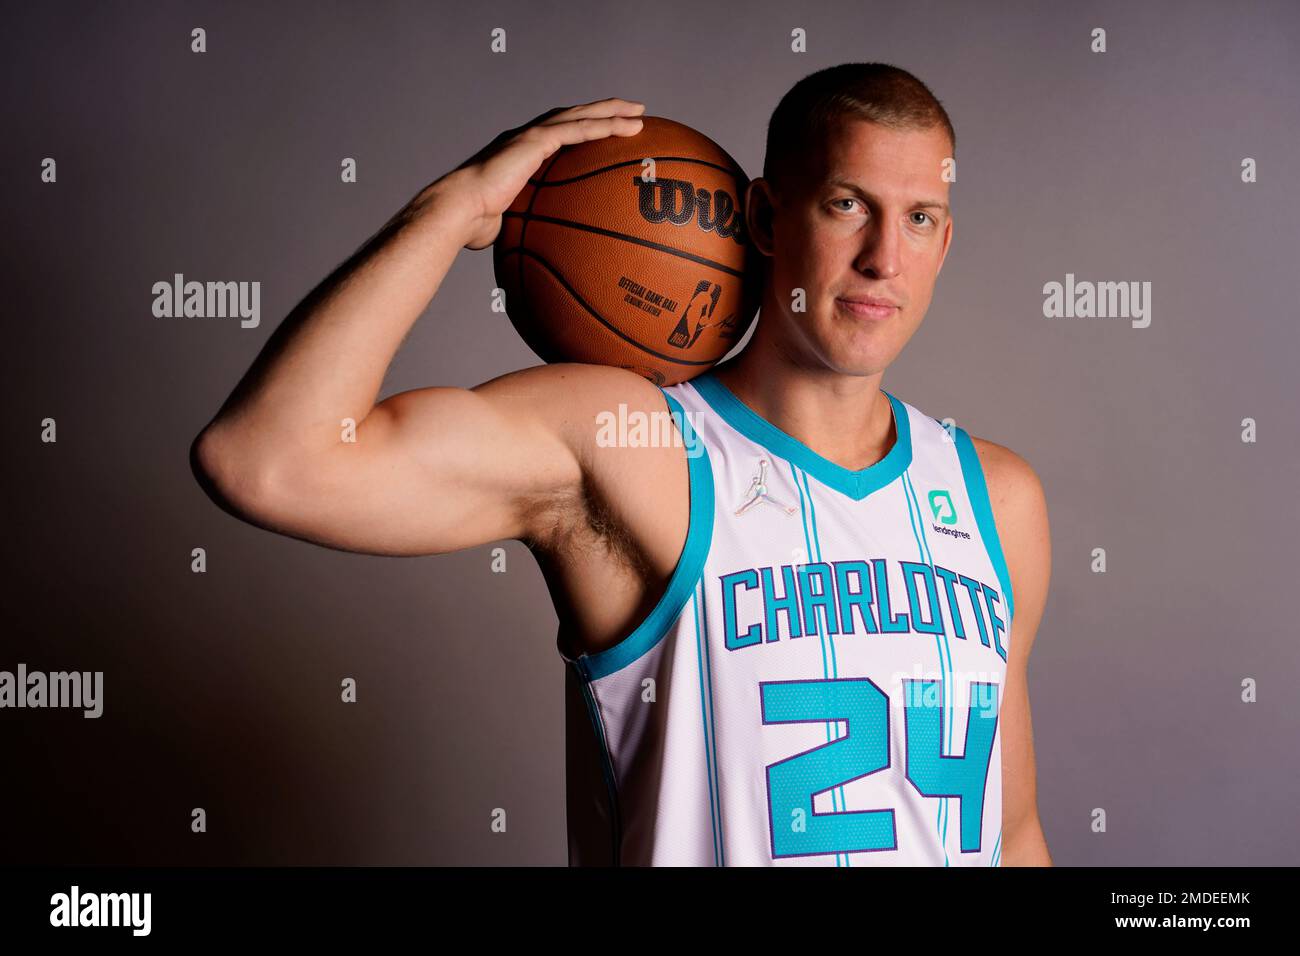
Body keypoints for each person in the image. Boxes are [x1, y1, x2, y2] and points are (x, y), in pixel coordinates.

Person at [192, 62, 1052, 867]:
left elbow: (1011, 834)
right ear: (763, 219)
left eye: (919, 219)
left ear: (944, 243)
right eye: (845, 205)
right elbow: (265, 459)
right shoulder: (632, 445)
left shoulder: (995, 501)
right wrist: (452, 210)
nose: (884, 259)